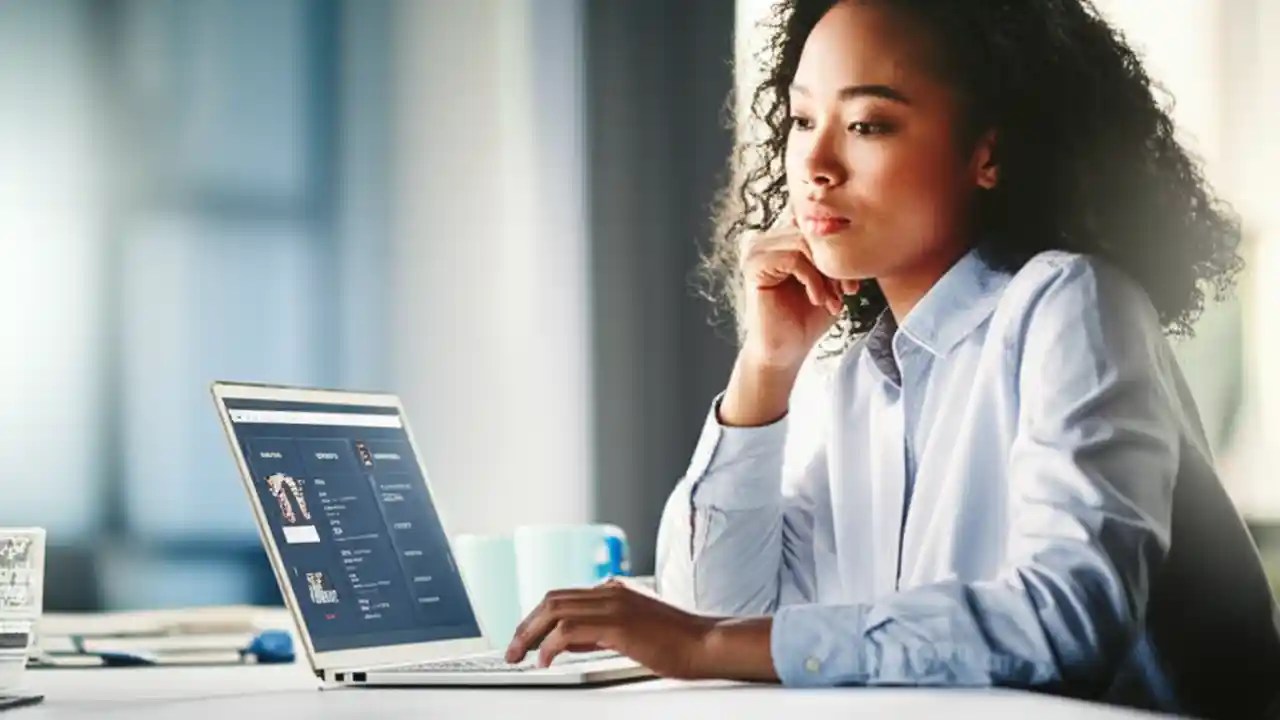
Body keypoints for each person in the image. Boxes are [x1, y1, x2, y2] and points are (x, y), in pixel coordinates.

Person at [503, 0, 1280, 715]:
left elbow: (1063, 621)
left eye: (869, 124)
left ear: (989, 152)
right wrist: (766, 370)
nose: (815, 165)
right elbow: (720, 608)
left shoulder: (1068, 303)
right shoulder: (855, 379)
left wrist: (702, 642)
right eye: (803, 120)